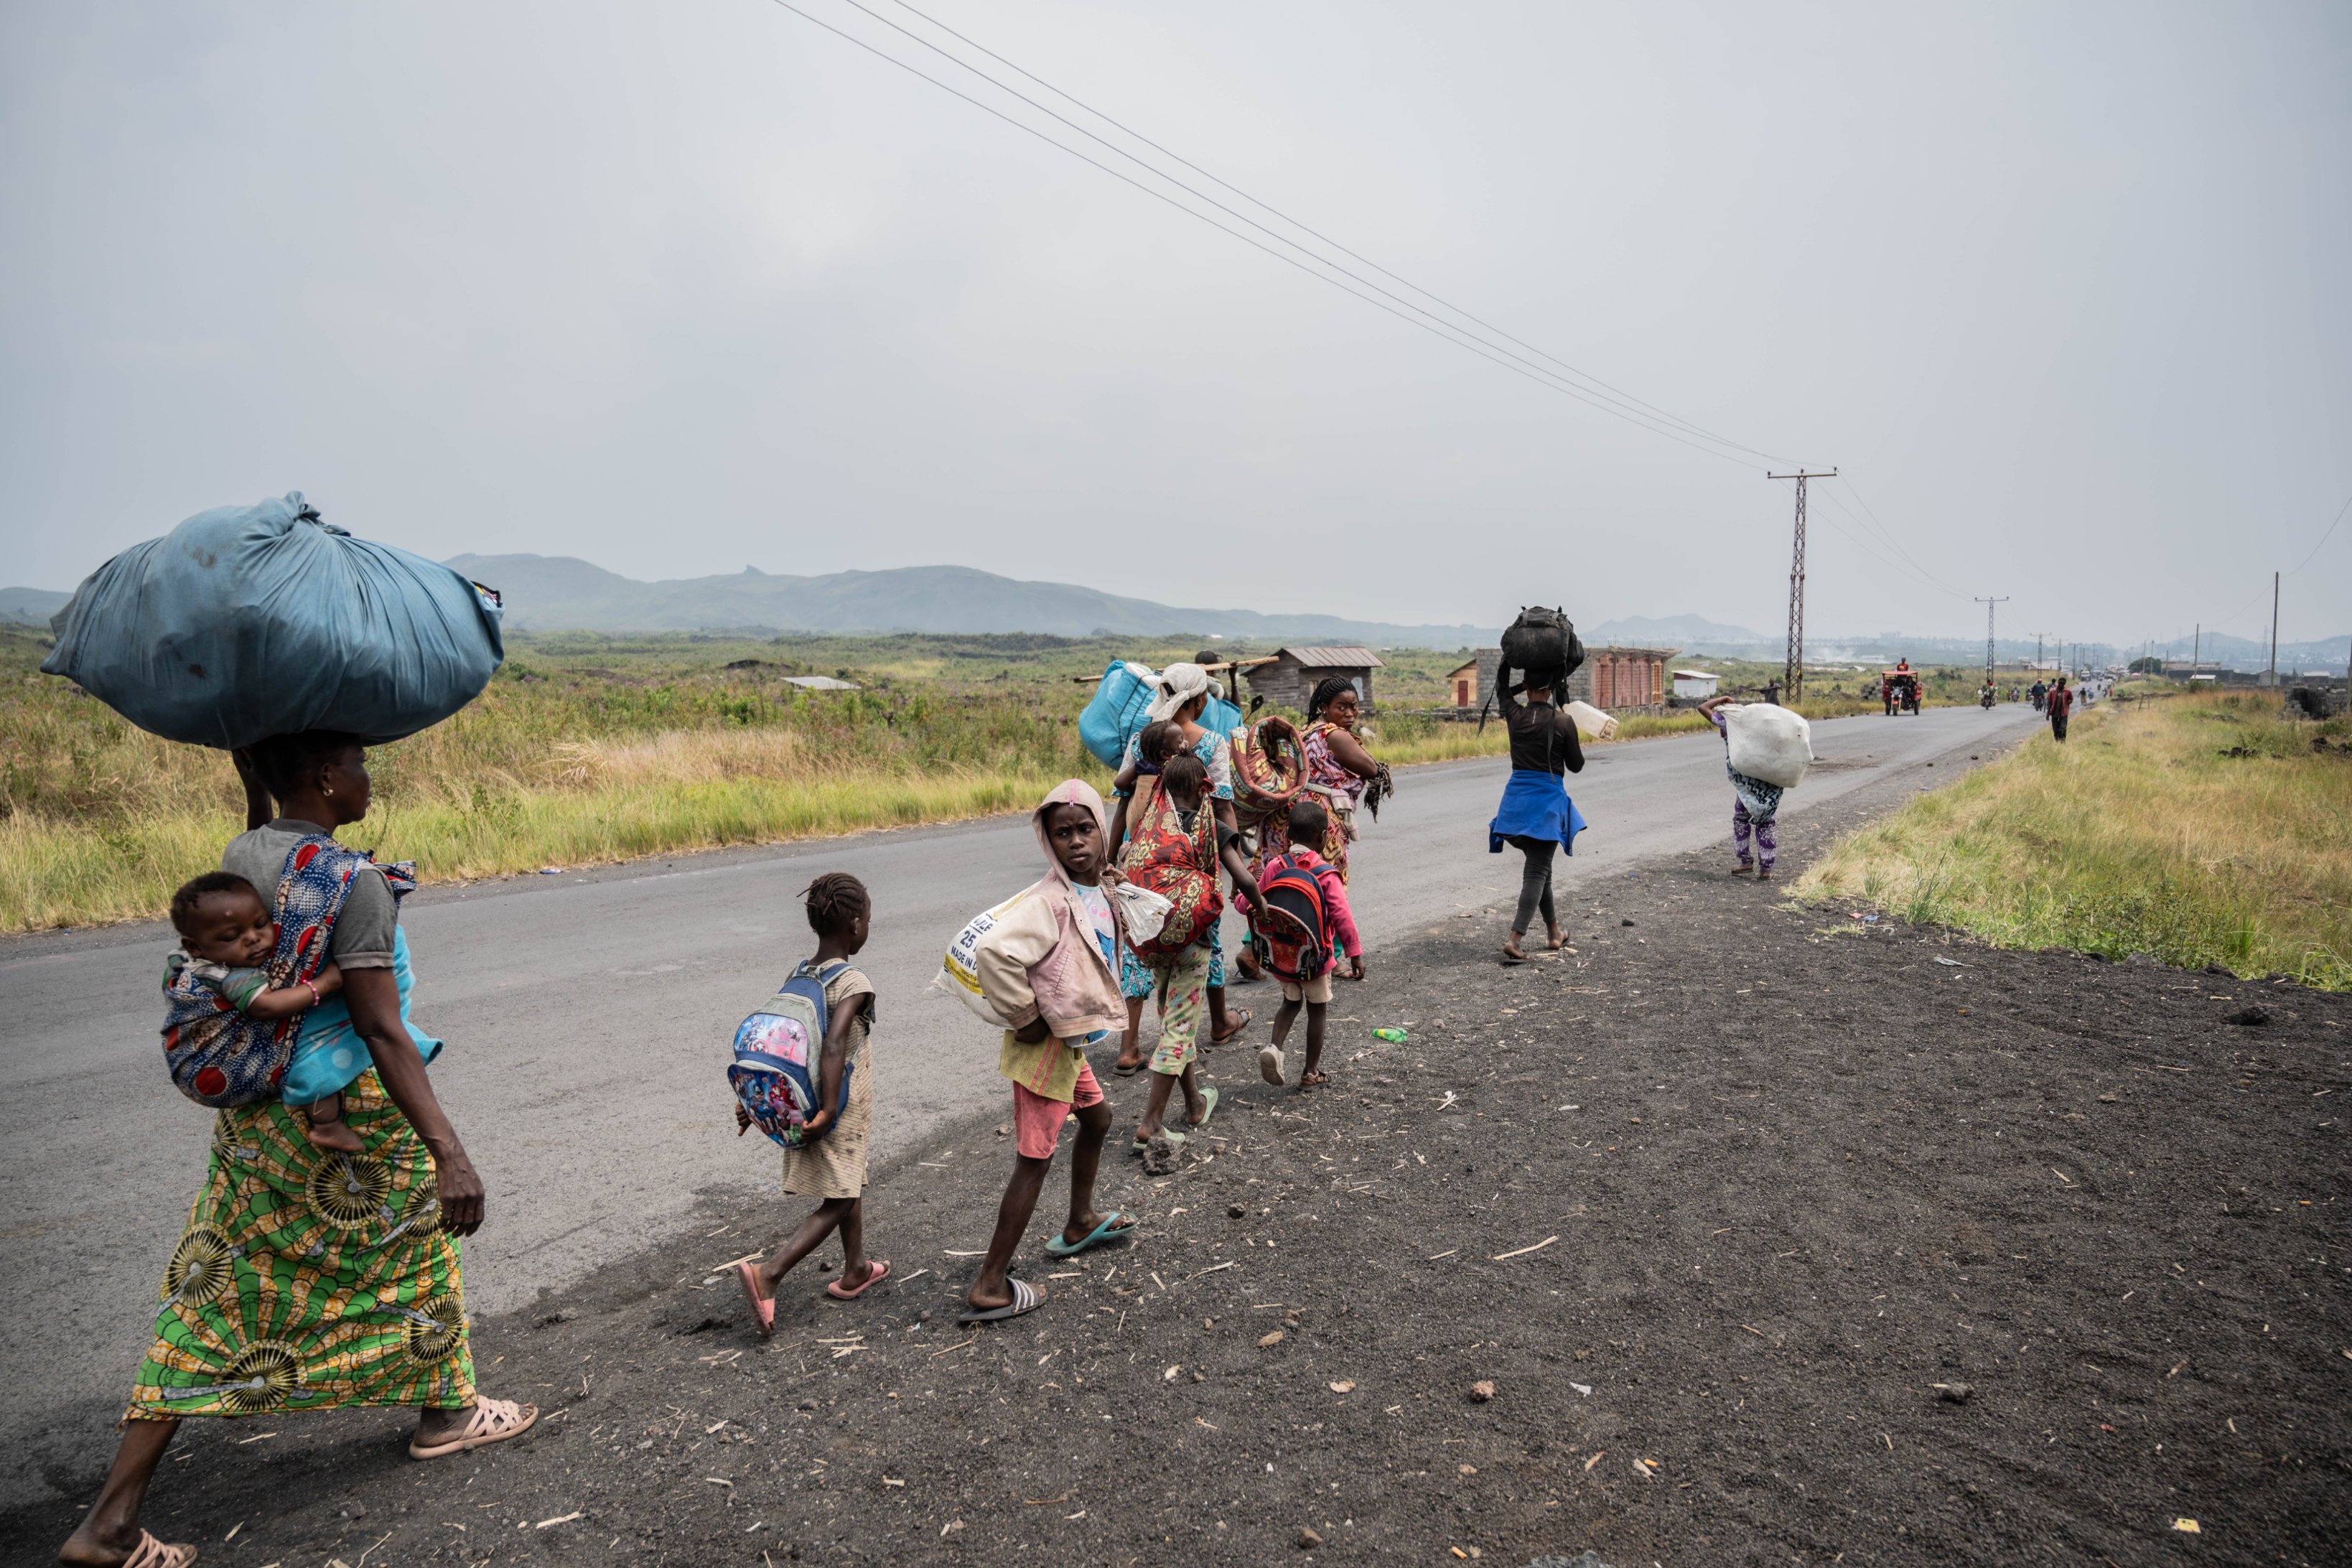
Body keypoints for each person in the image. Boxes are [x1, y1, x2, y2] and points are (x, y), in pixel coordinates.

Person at [62, 733, 531, 1568]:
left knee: (219, 1286)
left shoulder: (247, 852)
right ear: (325, 776)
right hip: (345, 1107)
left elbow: (262, 851)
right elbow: (381, 1026)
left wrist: (253, 778)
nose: (367, 778)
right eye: (358, 763)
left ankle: (113, 1520)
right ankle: (447, 1416)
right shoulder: (354, 883)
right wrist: (450, 1152)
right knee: (417, 1248)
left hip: (258, 1123)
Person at [960, 780, 1139, 1324]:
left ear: (1101, 831)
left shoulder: (1096, 887)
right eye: (1063, 833)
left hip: (1068, 1044)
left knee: (1099, 1119)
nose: (1076, 842)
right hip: (1045, 1048)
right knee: (1034, 1161)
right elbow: (994, 952)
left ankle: (1080, 1220)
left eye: (1085, 829)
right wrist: (1026, 1017)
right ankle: (990, 1283)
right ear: (1047, 839)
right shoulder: (1049, 901)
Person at [733, 873, 887, 1335]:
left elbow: (771, 1045)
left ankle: (856, 1268)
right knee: (841, 1197)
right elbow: (834, 1045)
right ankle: (769, 1273)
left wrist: (753, 1102)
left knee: (847, 1180)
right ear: (855, 924)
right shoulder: (854, 981)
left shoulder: (799, 974)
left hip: (801, 1101)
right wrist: (829, 1110)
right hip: (836, 1107)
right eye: (868, 920)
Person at [1108, 665, 1252, 1064]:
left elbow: (1122, 803)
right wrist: (1235, 865)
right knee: (1205, 932)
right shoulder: (1212, 744)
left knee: (1139, 938)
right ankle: (1219, 1021)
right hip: (1194, 859)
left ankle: (1129, 1047)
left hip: (1140, 858)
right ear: (1201, 700)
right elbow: (1223, 806)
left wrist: (1111, 857)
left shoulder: (1142, 740)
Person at [1120, 752, 1261, 1150]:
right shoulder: (1212, 827)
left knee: (1175, 1021)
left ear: (1163, 787)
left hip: (1155, 944)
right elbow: (1245, 879)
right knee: (1179, 1029)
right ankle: (1151, 1123)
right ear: (1204, 789)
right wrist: (1261, 908)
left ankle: (1195, 1104)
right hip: (1192, 946)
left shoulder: (1150, 827)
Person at [162, 871, 358, 1152]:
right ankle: (327, 1127)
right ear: (195, 946)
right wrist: (324, 984)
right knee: (311, 1063)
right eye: (231, 936)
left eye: (261, 923)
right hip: (213, 1071)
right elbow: (266, 1006)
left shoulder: (180, 962)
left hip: (186, 1068)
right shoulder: (229, 975)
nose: (253, 938)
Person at [1251, 798, 1361, 1089]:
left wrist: (1239, 899)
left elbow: (1254, 900)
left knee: (1290, 1003)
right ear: (1323, 838)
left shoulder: (1276, 866)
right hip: (1316, 959)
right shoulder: (1326, 874)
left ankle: (1275, 1048)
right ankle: (1311, 1072)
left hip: (1283, 956)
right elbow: (1342, 917)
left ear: (1288, 834)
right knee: (1317, 1010)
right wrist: (1355, 953)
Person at [1488, 673, 1588, 961]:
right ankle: (1514, 939)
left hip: (1514, 808)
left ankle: (1555, 933)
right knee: (1536, 872)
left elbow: (1502, 690)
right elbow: (1577, 765)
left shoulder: (1515, 715)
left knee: (1541, 870)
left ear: (1526, 687)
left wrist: (1518, 681)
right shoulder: (1563, 721)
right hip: (1545, 808)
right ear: (1552, 687)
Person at [1259, 676, 1386, 889]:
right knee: (1323, 881)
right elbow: (1372, 769)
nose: (1349, 713)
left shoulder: (1307, 729)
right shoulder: (1334, 735)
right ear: (1325, 707)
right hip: (1319, 816)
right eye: (1341, 707)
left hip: (1290, 814)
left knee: (1286, 881)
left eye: (1354, 707)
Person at [1694, 694, 1784, 879]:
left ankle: (1745, 861)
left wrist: (1725, 699)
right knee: (1766, 822)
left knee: (1741, 819)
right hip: (1768, 784)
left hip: (1748, 785)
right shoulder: (1767, 730)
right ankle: (1766, 868)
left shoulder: (1733, 726)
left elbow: (1703, 708)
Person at [2048, 674, 2073, 741]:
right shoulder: (2053, 691)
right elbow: (2049, 703)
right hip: (2054, 713)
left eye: (2063, 683)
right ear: (2058, 683)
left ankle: (2062, 740)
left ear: (2065, 684)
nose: (2061, 685)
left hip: (2064, 712)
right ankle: (2057, 740)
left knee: (2063, 727)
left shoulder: (2068, 691)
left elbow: (2071, 699)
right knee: (2055, 729)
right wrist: (2048, 714)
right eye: (2060, 683)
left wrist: (2070, 701)